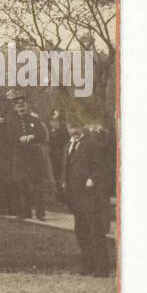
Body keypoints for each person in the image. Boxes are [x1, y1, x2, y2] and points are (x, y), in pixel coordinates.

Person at [64, 123, 115, 275]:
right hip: (75, 196)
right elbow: (66, 167)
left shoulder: (92, 144)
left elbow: (103, 167)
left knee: (95, 230)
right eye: (71, 126)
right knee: (81, 231)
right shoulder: (68, 145)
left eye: (77, 126)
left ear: (83, 127)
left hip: (90, 196)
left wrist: (93, 179)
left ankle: (102, 268)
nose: (74, 129)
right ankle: (88, 265)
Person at [9, 91, 50, 219]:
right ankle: (25, 212)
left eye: (23, 106)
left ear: (27, 106)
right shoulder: (11, 122)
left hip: (34, 157)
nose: (21, 108)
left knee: (38, 186)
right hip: (20, 157)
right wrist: (19, 139)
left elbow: (43, 136)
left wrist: (33, 136)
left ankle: (40, 214)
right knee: (22, 186)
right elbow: (10, 139)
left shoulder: (34, 120)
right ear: (15, 108)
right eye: (18, 106)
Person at [48, 108, 70, 203]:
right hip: (52, 157)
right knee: (55, 176)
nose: (54, 123)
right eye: (52, 121)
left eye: (56, 121)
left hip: (61, 157)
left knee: (61, 176)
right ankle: (58, 196)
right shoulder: (49, 131)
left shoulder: (63, 131)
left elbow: (65, 143)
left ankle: (63, 197)